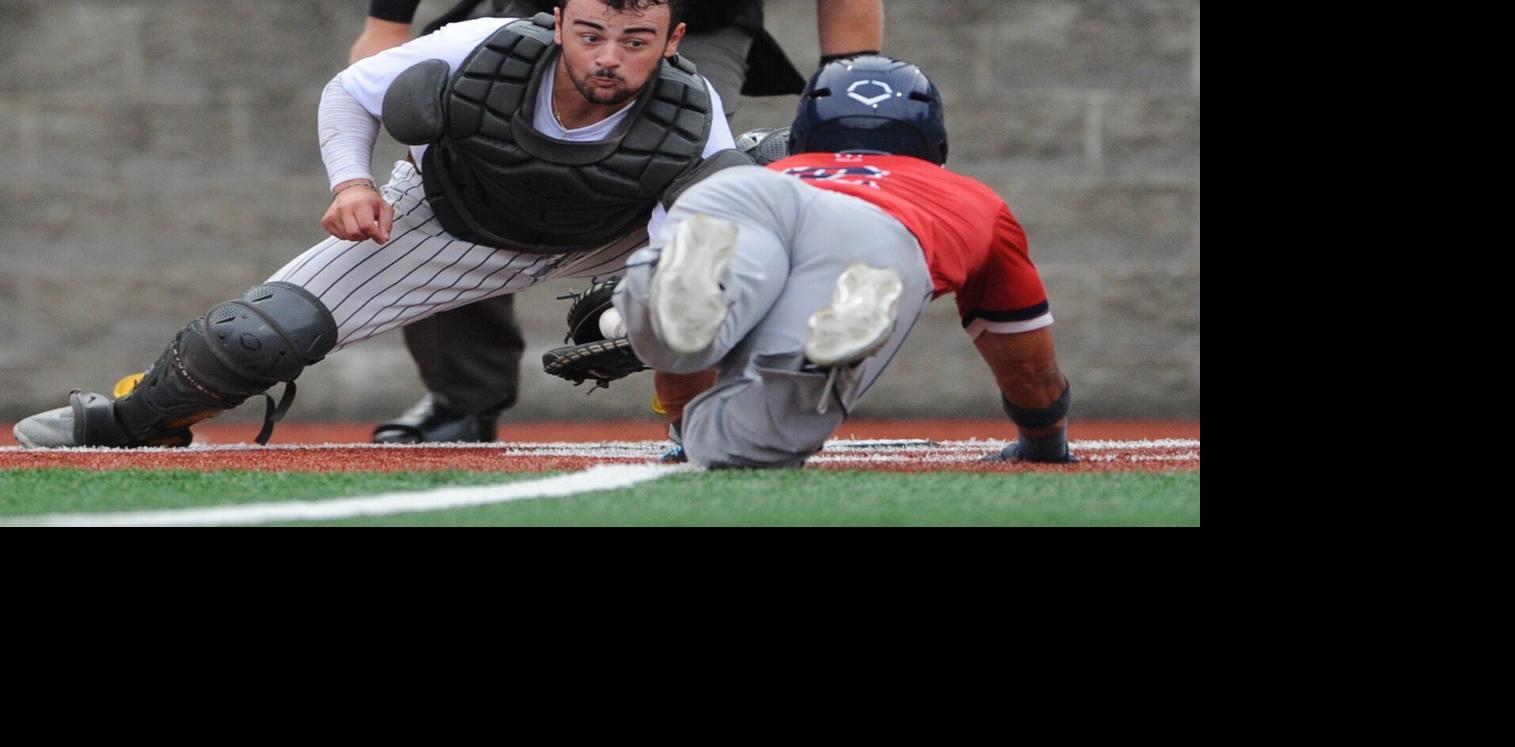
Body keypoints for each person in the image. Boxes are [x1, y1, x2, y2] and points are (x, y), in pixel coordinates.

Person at [11, 0, 741, 450]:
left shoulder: (691, 106)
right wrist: (353, 182)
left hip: (604, 229)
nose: (609, 57)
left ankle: (693, 421)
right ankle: (140, 415)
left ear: (673, 38)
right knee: (253, 336)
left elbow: (704, 222)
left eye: (636, 40)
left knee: (737, 219)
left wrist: (644, 299)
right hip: (447, 220)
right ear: (556, 21)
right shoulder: (480, 48)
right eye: (590, 33)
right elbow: (348, 93)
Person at [351, 0, 886, 444]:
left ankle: (695, 405)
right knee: (458, 166)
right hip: (536, 8)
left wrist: (853, 80)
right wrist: (388, 22)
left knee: (687, 167)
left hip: (697, 16)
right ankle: (462, 398)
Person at [612, 55, 1076, 468]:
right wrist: (1043, 443)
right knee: (740, 445)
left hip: (747, 191)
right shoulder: (974, 199)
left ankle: (653, 293)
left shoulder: (776, 166)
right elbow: (1030, 372)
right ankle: (823, 350)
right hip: (876, 236)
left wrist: (681, 425)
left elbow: (680, 367)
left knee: (675, 329)